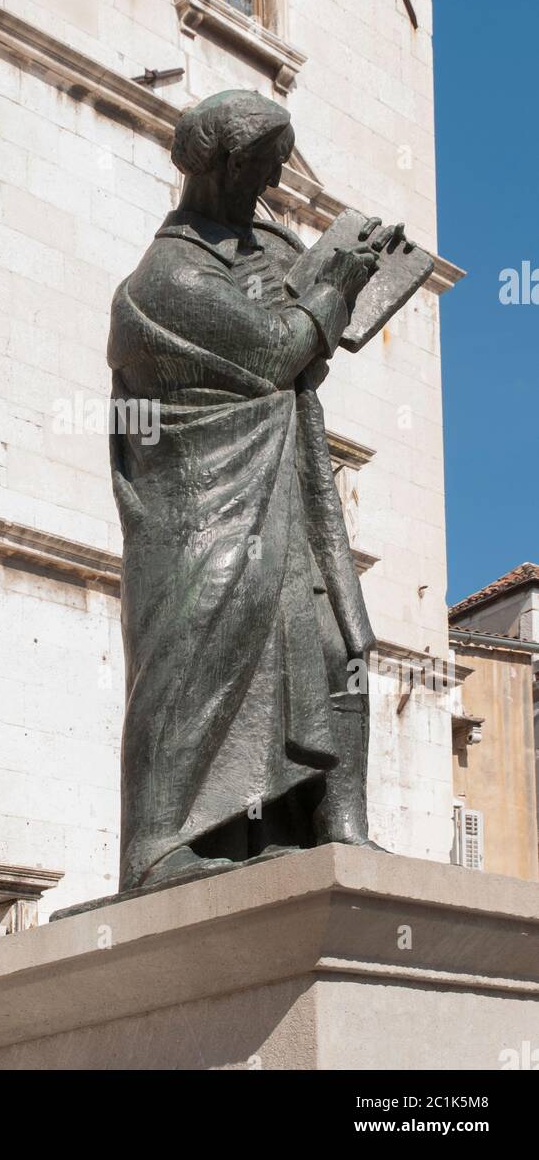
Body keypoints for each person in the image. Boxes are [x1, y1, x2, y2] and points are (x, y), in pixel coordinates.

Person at [108, 89, 400, 892]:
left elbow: (299, 352)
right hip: (205, 512)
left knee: (338, 647)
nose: (274, 186)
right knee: (199, 656)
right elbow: (275, 352)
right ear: (230, 164)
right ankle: (157, 850)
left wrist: (330, 277)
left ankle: (339, 828)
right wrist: (338, 282)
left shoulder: (261, 244)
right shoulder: (165, 282)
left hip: (285, 493)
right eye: (267, 168)